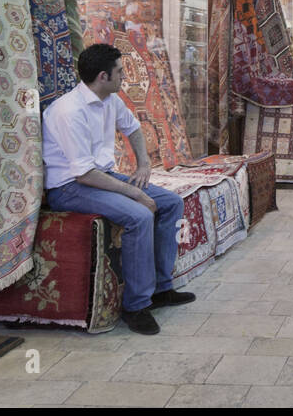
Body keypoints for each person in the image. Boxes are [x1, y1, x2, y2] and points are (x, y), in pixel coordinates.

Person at [41, 44, 194, 335]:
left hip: (102, 177)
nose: (125, 76)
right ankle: (135, 306)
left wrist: (144, 165)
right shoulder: (68, 111)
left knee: (171, 202)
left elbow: (133, 128)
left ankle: (161, 288)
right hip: (70, 187)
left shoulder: (110, 100)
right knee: (139, 215)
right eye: (120, 71)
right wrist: (135, 193)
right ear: (103, 76)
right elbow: (83, 173)